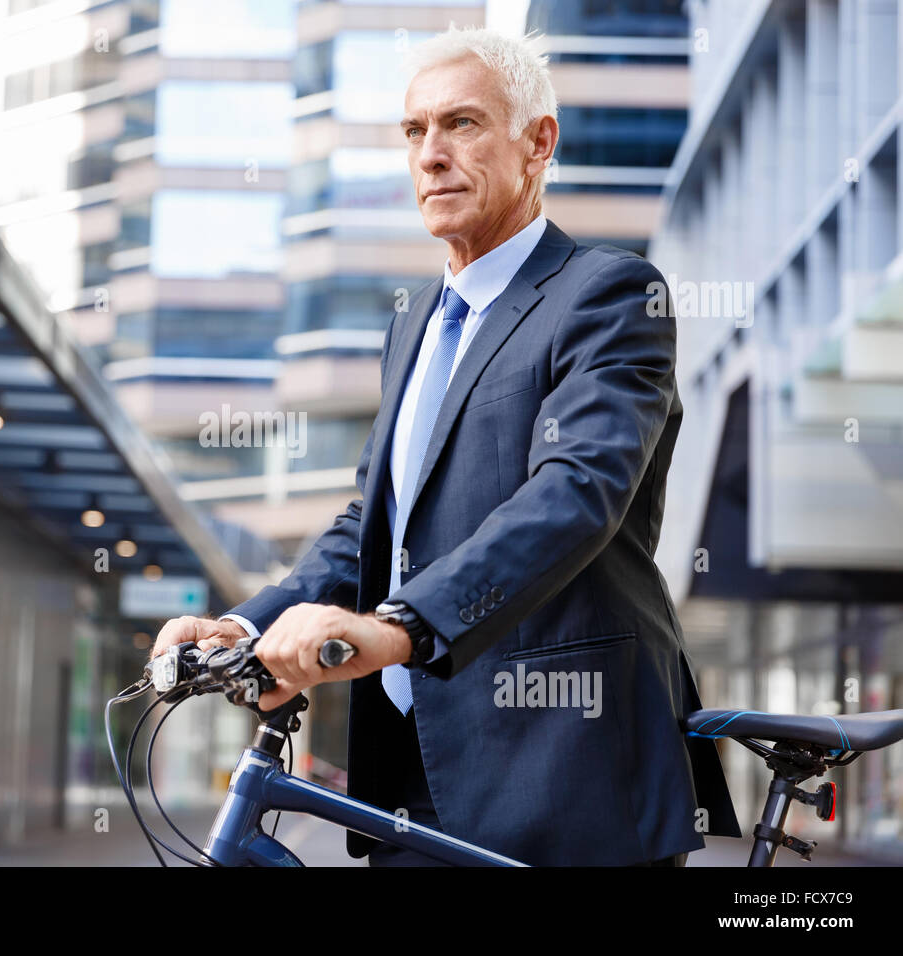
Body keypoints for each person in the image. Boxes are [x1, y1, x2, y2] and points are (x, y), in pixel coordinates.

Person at [151, 25, 739, 866]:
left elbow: (576, 493)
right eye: (414, 131)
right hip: (411, 770)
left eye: (461, 125)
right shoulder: (413, 323)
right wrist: (246, 623)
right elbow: (372, 524)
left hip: (562, 770)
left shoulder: (608, 293)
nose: (430, 154)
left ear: (538, 144)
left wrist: (398, 626)